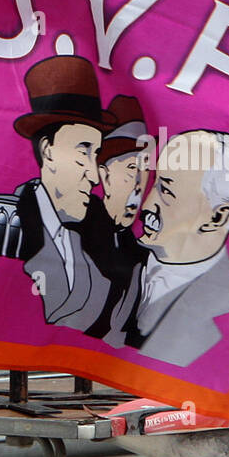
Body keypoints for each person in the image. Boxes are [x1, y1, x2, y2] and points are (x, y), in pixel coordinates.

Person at [127, 130, 229, 367]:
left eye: (165, 191)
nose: (146, 205)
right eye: (154, 184)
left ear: (216, 217)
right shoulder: (110, 260)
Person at [12, 56, 116, 333]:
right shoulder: (11, 222)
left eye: (96, 154)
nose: (94, 176)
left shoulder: (96, 227)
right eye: (83, 151)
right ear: (48, 150)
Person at [77, 95, 153, 342]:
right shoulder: (76, 233)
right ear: (104, 175)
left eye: (145, 170)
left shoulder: (140, 253)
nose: (139, 184)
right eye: (132, 169)